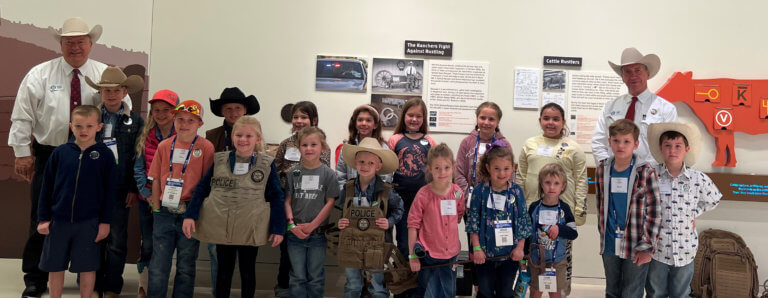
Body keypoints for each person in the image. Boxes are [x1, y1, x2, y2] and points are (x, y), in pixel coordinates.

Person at [8, 17, 128, 297]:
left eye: (80, 42)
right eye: (69, 42)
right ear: (61, 44)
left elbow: (123, 110)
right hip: (51, 154)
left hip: (94, 156)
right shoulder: (39, 74)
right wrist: (22, 153)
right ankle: (36, 278)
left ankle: (90, 275)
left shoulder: (105, 74)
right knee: (42, 216)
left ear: (91, 44)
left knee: (90, 216)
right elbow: (22, 116)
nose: (75, 47)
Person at [183, 116, 285, 298]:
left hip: (250, 225)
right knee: (224, 270)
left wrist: (278, 228)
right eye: (238, 135)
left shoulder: (266, 165)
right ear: (232, 136)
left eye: (248, 136)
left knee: (247, 270)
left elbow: (276, 196)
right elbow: (202, 188)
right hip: (222, 225)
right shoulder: (220, 160)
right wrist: (190, 215)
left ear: (258, 139)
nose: (243, 139)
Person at [36, 105, 117, 298]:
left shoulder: (105, 155)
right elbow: (46, 187)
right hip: (59, 221)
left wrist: (105, 222)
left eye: (89, 126)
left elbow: (110, 192)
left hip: (88, 223)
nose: (84, 131)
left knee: (87, 267)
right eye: (79, 126)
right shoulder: (60, 153)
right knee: (55, 266)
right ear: (71, 126)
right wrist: (43, 218)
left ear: (99, 127)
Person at [84, 66, 145, 297]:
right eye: (106, 90)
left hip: (120, 189)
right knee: (92, 237)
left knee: (116, 240)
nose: (111, 94)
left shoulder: (136, 121)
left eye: (116, 90)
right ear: (100, 92)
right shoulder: (90, 118)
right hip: (93, 188)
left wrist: (132, 187)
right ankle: (92, 283)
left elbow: (136, 157)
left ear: (125, 91)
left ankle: (112, 286)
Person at [516, 102, 588, 294]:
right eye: (546, 118)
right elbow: (520, 177)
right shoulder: (530, 144)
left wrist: (579, 210)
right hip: (534, 213)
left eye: (556, 119)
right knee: (535, 263)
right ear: (540, 121)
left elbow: (582, 180)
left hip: (561, 216)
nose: (551, 122)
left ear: (563, 122)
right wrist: (519, 208)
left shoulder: (574, 148)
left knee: (560, 265)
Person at [146, 100, 215, 297]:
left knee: (186, 264)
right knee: (159, 264)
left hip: (189, 212)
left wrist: (195, 212)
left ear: (199, 124)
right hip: (164, 212)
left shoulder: (206, 147)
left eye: (190, 121)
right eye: (180, 119)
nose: (184, 124)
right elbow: (157, 178)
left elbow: (205, 185)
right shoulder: (164, 145)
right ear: (174, 119)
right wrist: (157, 207)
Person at [645, 122, 721, 298]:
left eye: (678, 146)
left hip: (685, 249)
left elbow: (714, 199)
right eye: (668, 145)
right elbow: (641, 204)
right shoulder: (651, 175)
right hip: (657, 248)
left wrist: (693, 213)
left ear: (686, 149)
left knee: (681, 293)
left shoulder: (697, 178)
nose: (673, 150)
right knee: (655, 292)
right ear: (660, 148)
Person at [203, 86, 261, 295]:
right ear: (222, 111)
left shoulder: (254, 135)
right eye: (228, 108)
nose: (233, 112)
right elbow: (207, 173)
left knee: (247, 267)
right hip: (220, 207)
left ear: (245, 110)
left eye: (237, 108)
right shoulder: (212, 136)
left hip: (247, 208)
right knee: (219, 260)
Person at [595, 119, 661, 298]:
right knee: (612, 291)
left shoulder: (646, 172)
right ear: (610, 142)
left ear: (636, 144)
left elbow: (654, 212)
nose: (620, 146)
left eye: (626, 141)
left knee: (632, 292)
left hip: (636, 244)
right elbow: (601, 203)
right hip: (610, 242)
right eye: (616, 141)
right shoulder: (602, 169)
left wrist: (647, 247)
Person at [273, 101, 331, 297]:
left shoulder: (324, 146)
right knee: (286, 256)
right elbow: (275, 169)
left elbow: (324, 177)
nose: (299, 121)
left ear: (313, 119)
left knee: (313, 266)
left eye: (303, 117)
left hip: (312, 208)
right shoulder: (285, 144)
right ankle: (283, 290)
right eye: (296, 117)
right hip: (289, 206)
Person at [336, 137, 404, 298]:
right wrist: (341, 221)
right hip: (351, 244)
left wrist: (389, 222)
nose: (365, 166)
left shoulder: (387, 191)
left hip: (377, 246)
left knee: (378, 286)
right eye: (361, 162)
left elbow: (399, 209)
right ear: (355, 163)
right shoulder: (348, 188)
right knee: (353, 284)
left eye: (370, 163)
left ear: (379, 166)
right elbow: (342, 210)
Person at [466, 141, 532, 297]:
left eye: (506, 169)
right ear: (488, 168)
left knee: (505, 291)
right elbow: (473, 222)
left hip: (510, 254)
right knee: (486, 290)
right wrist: (476, 249)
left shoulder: (516, 192)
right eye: (497, 168)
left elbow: (523, 221)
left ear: (513, 168)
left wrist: (520, 248)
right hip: (484, 254)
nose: (501, 173)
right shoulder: (479, 191)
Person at [592, 47, 677, 165]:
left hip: (649, 177)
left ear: (647, 73)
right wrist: (608, 168)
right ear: (622, 77)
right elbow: (598, 143)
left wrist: (644, 172)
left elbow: (668, 147)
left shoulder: (666, 109)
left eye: (638, 70)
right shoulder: (609, 107)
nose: (633, 75)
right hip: (614, 175)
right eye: (627, 71)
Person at [133, 89, 179, 297]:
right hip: (148, 199)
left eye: (166, 110)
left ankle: (162, 286)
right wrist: (147, 194)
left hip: (173, 200)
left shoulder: (184, 136)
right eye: (156, 110)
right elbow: (138, 168)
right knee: (149, 243)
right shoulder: (146, 136)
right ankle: (144, 285)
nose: (161, 114)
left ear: (175, 112)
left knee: (169, 245)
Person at [284, 127, 339, 298]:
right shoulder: (293, 173)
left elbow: (330, 202)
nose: (308, 148)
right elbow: (287, 201)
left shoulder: (329, 174)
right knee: (297, 276)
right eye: (304, 145)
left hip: (317, 235)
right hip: (295, 234)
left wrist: (312, 225)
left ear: (322, 147)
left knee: (315, 277)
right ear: (298, 147)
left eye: (313, 144)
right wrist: (292, 225)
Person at [407, 143, 464, 298]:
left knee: (448, 291)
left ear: (453, 167)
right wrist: (412, 255)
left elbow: (458, 216)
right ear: (430, 168)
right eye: (437, 168)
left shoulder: (458, 193)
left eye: (446, 167)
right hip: (428, 255)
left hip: (451, 254)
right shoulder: (423, 194)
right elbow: (413, 226)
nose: (442, 172)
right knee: (428, 291)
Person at [387, 98, 436, 261]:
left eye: (419, 116)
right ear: (404, 116)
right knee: (403, 241)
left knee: (424, 240)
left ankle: (420, 281)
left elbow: (435, 169)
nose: (414, 119)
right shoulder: (395, 139)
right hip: (401, 200)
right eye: (410, 115)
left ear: (423, 118)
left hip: (424, 200)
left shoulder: (429, 141)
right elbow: (387, 169)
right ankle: (404, 281)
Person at [527, 163, 578, 298]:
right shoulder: (533, 207)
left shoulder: (565, 209)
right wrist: (523, 258)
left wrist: (560, 229)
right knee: (535, 292)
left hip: (558, 261)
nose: (551, 187)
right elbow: (527, 234)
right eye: (547, 182)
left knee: (555, 293)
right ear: (541, 184)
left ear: (563, 186)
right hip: (536, 259)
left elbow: (573, 233)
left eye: (556, 183)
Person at [336, 104, 392, 190]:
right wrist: (346, 195)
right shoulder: (347, 148)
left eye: (368, 120)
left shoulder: (383, 149)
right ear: (355, 123)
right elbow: (341, 175)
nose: (364, 123)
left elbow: (386, 178)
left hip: (375, 199)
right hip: (350, 198)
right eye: (360, 120)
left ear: (375, 125)